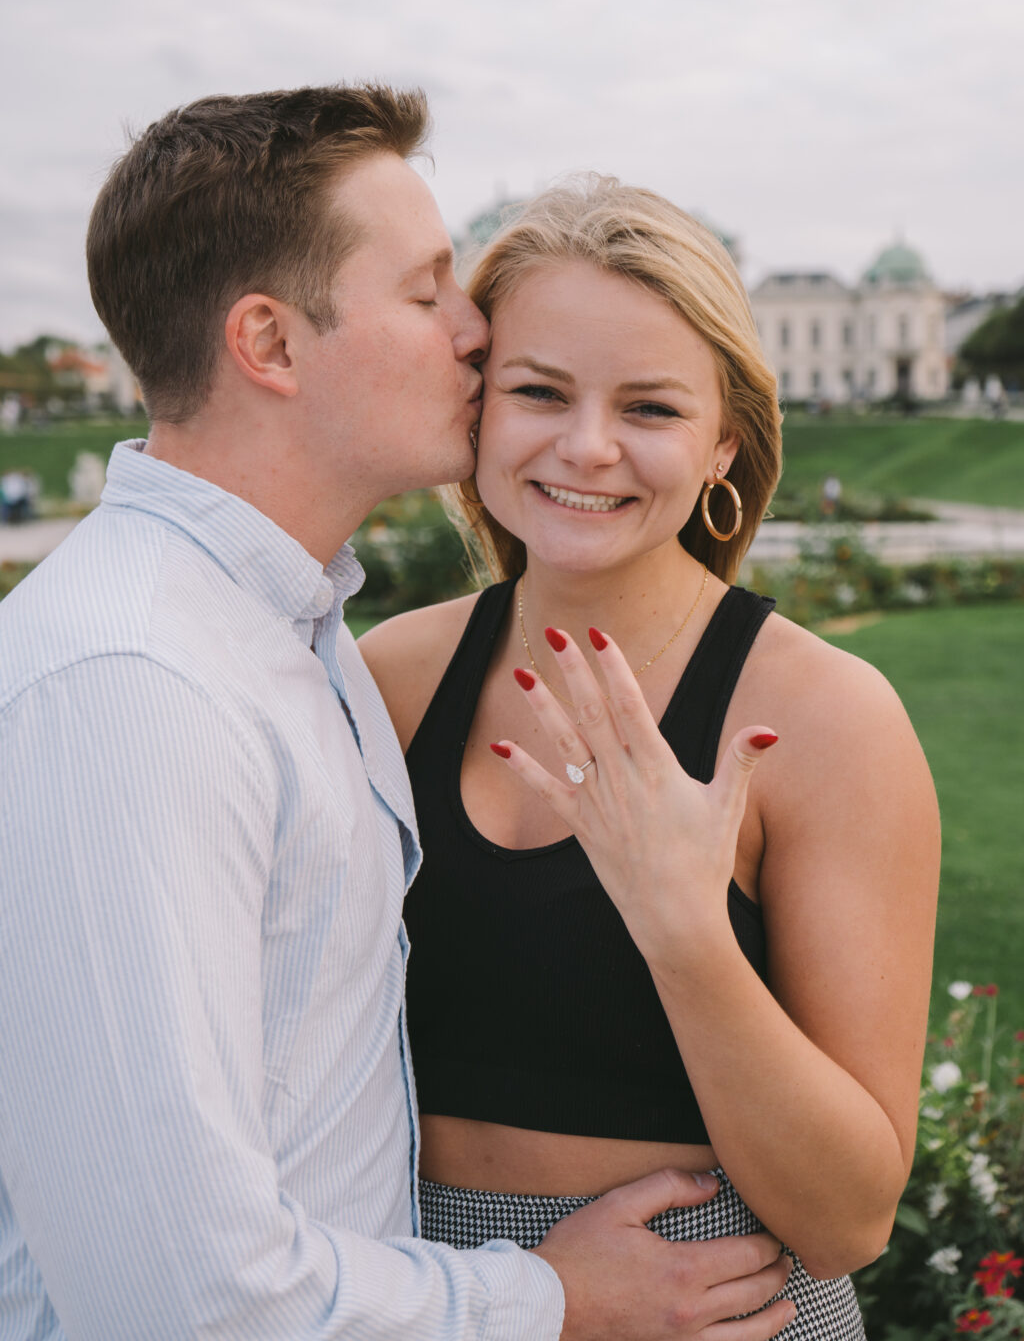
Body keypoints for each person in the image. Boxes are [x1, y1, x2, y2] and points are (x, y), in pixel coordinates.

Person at [0, 89, 797, 1341]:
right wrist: (542, 1298)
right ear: (268, 344)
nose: (477, 330)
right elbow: (178, 1302)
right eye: (429, 294)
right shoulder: (132, 685)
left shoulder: (294, 639)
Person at [360, 177, 940, 1339]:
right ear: (476, 406)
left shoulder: (827, 721)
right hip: (431, 1297)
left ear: (725, 440)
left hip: (714, 1307)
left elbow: (847, 1222)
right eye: (537, 391)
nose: (588, 447)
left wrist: (685, 929)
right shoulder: (392, 678)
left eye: (651, 409)